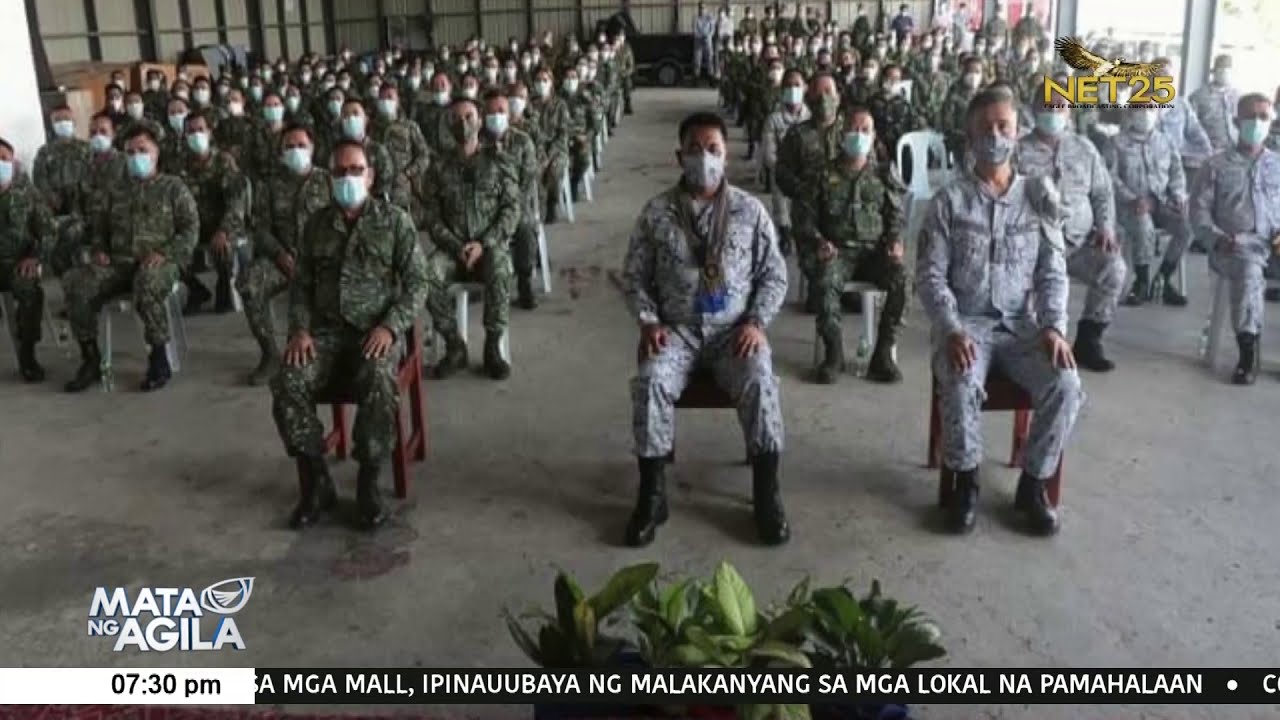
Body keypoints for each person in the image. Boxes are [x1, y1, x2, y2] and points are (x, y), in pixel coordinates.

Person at [916, 86, 1083, 537]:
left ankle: (1033, 485)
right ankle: (965, 482)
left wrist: (1053, 327)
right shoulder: (948, 202)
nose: (995, 135)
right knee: (960, 375)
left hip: (1021, 327)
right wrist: (950, 328)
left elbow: (1053, 270)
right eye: (985, 128)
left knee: (1066, 383)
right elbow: (930, 278)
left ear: (1017, 131)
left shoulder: (1037, 197)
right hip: (966, 324)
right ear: (969, 139)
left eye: (1003, 126)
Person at [621, 112, 789, 548]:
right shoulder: (656, 213)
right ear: (680, 156)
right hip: (676, 331)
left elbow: (774, 275)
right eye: (694, 149)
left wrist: (756, 322)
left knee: (759, 376)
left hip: (733, 332)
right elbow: (634, 276)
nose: (704, 158)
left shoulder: (749, 212)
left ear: (725, 154)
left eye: (713, 149)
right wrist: (648, 320)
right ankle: (652, 493)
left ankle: (767, 492)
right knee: (651, 378)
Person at [271, 139, 429, 531]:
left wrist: (391, 327)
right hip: (323, 336)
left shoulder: (394, 221)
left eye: (356, 170)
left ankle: (368, 480)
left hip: (372, 334)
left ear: (371, 176)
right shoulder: (316, 225)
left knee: (378, 377)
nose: (348, 178)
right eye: (340, 171)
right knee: (287, 379)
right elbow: (301, 286)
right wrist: (299, 330)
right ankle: (317, 478)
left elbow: (417, 284)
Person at [62, 124, 199, 393]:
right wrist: (100, 249)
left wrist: (166, 253)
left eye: (142, 150)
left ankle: (159, 357)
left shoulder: (174, 187)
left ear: (156, 152)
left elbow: (190, 229)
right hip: (118, 263)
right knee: (76, 281)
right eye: (130, 152)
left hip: (159, 263)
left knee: (147, 283)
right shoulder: (115, 190)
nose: (136, 156)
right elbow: (99, 228)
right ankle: (90, 357)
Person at [794, 106, 906, 385]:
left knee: (901, 279)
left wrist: (895, 240)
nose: (859, 135)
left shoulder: (882, 174)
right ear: (842, 134)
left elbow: (896, 215)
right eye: (853, 129)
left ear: (873, 135)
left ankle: (882, 354)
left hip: (874, 253)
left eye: (865, 130)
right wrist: (819, 241)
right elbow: (803, 217)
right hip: (837, 251)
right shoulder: (821, 174)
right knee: (824, 280)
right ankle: (834, 353)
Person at [1016, 98, 1126, 372]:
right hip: (1031, 247)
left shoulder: (1084, 148)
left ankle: (1089, 339)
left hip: (1077, 244)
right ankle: (1033, 341)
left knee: (1113, 268)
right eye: (1046, 106)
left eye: (1059, 107)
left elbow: (1102, 192)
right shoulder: (1017, 150)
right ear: (1034, 110)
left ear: (1068, 112)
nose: (1053, 113)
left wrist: (1105, 227)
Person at [419, 97, 521, 381]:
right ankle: (454, 344)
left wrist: (484, 243)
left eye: (468, 117)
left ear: (479, 121)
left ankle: (492, 346)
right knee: (426, 274)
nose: (462, 124)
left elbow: (511, 210)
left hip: (488, 248)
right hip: (452, 251)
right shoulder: (437, 168)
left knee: (501, 268)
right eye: (455, 119)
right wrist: (455, 245)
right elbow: (431, 217)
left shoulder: (499, 163)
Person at [1192, 93, 1280, 385]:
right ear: (1236, 121)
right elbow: (1199, 213)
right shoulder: (1215, 165)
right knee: (1249, 271)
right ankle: (1247, 351)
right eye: (1250, 117)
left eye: (1263, 117)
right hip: (1234, 246)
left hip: (1274, 244)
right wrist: (1217, 238)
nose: (1256, 123)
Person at [1107, 100, 1190, 308]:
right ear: (1131, 113)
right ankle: (1141, 281)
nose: (1146, 113)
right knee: (1143, 225)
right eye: (1140, 109)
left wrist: (1178, 196)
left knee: (1187, 226)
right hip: (1129, 205)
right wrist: (1132, 198)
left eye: (1151, 109)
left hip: (1161, 202)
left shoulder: (1165, 141)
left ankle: (1163, 278)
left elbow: (1176, 172)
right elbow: (1109, 177)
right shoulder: (1116, 142)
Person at [776, 72, 845, 310]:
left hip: (847, 218)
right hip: (812, 219)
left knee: (855, 299)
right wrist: (805, 191)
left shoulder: (852, 132)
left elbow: (872, 171)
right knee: (821, 300)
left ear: (838, 96)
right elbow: (781, 174)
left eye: (829, 92)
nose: (824, 98)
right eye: (818, 92)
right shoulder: (797, 135)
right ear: (809, 97)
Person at [177, 110, 250, 315]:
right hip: (192, 226)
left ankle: (224, 284)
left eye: (200, 130)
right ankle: (195, 289)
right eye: (190, 131)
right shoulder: (179, 164)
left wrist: (224, 230)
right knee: (166, 247)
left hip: (221, 223)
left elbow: (236, 202)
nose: (195, 135)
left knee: (223, 245)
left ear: (209, 132)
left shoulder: (223, 162)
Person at [0, 138, 55, 381]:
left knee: (29, 289)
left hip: (18, 263)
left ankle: (27, 353)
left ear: (14, 163)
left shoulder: (28, 194)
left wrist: (35, 257)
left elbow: (49, 231)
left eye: (3, 159)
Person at [482, 91, 541, 311]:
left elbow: (527, 182)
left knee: (525, 227)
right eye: (491, 112)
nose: (496, 116)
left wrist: (507, 205)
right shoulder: (477, 142)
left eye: (501, 111)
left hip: (514, 204)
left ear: (509, 115)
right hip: (483, 208)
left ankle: (524, 281)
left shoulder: (522, 141)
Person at [763, 67, 809, 257]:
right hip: (782, 169)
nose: (793, 89)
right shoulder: (774, 120)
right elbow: (769, 151)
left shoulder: (811, 117)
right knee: (780, 198)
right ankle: (784, 233)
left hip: (807, 171)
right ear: (782, 90)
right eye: (788, 85)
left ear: (805, 88)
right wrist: (780, 169)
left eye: (797, 85)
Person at [371, 83, 430, 214]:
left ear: (397, 101)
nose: (386, 101)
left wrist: (408, 173)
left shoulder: (409, 127)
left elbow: (424, 155)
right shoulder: (370, 128)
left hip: (401, 190)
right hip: (375, 190)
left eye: (390, 97)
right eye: (382, 98)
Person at [1190, 55, 1240, 153]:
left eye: (1227, 71)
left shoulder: (1238, 96)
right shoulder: (1198, 96)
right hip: (1207, 150)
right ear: (1214, 72)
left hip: (1233, 149)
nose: (1224, 74)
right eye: (1221, 71)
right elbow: (1191, 126)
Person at [693, 4, 717, 85]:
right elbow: (694, 30)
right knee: (697, 60)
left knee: (710, 60)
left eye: (703, 8)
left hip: (708, 41)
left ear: (706, 8)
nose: (701, 10)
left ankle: (711, 78)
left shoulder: (709, 17)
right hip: (698, 41)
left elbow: (713, 29)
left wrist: (708, 35)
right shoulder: (696, 18)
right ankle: (696, 79)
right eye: (700, 8)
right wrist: (700, 36)